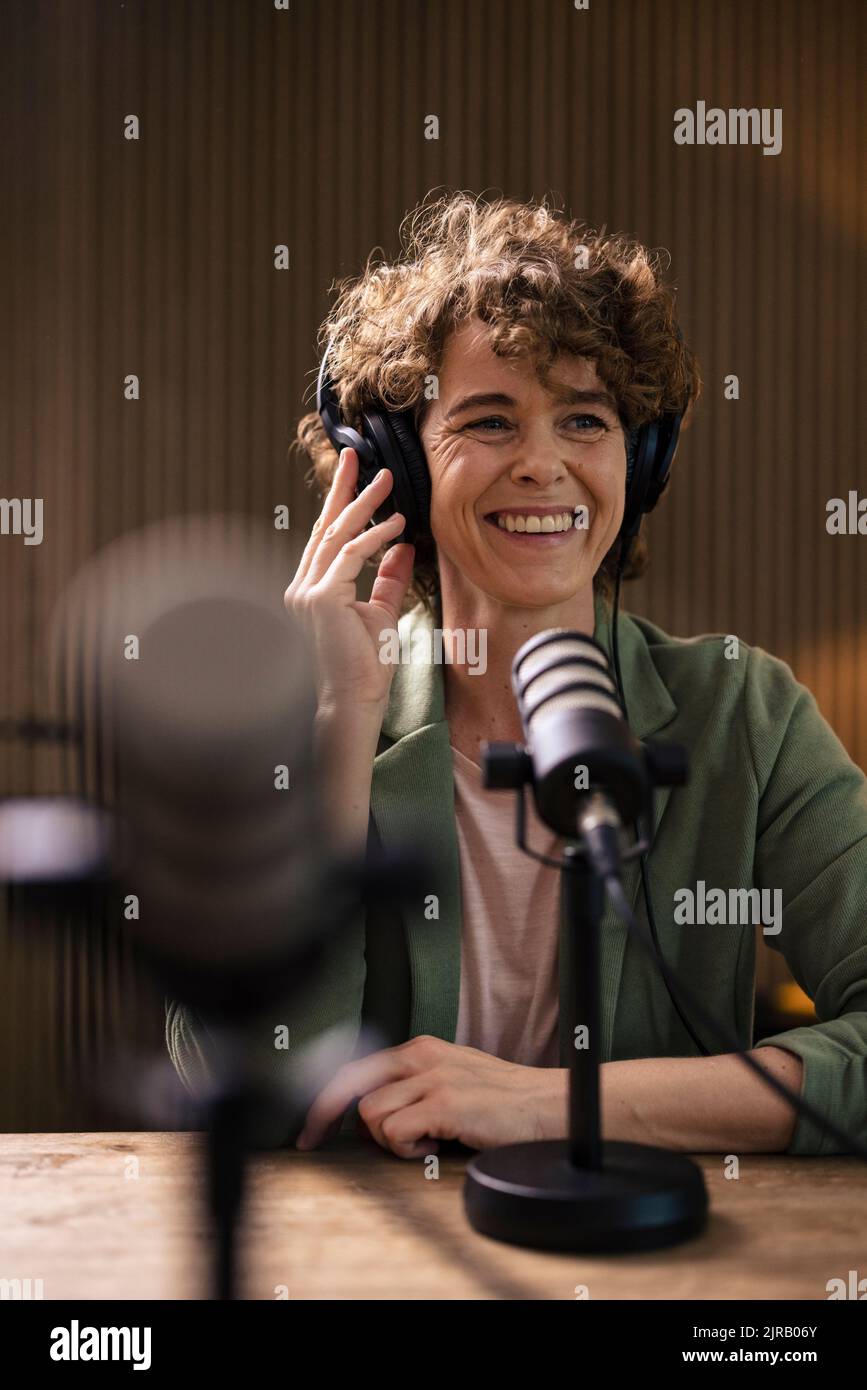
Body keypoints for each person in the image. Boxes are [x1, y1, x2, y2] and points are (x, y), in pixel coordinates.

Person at [167, 191, 867, 1159]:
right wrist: (335, 719)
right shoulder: (316, 709)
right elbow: (235, 1072)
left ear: (642, 458)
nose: (543, 464)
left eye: (586, 420)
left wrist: (552, 1103)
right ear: (401, 466)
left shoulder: (745, 712)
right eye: (489, 421)